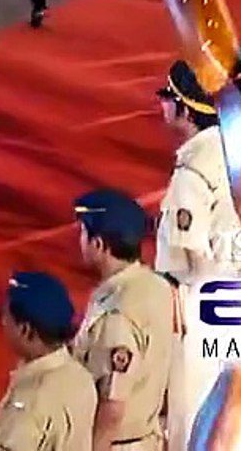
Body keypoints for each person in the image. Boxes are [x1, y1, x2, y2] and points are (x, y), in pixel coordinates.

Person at [151, 61, 239, 451]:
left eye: (169, 97)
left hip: (196, 306)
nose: (163, 104)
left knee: (187, 419)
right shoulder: (236, 151)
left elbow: (195, 254)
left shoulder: (193, 174)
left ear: (186, 110)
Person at [72, 189, 176, 451]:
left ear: (99, 244)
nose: (80, 240)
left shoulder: (117, 314)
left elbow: (113, 405)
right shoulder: (156, 286)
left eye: (83, 233)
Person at [0, 271, 95, 451]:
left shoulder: (26, 409)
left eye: (6, 316)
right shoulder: (80, 376)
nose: (3, 322)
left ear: (25, 330)